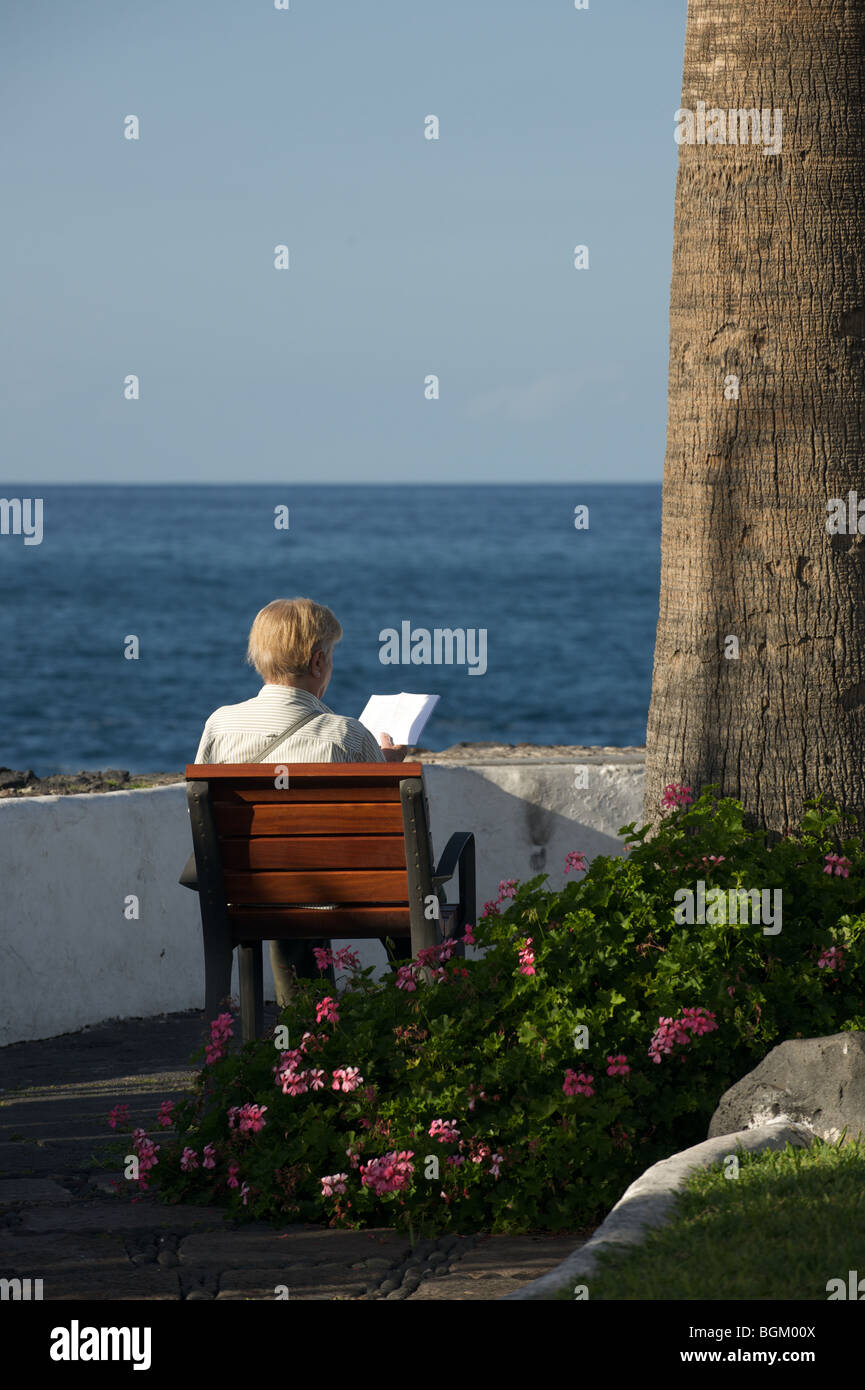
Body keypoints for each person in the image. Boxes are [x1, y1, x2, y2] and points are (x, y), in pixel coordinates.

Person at [193, 597, 410, 1007]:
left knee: (289, 876)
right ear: (317, 661)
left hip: (249, 895)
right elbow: (387, 829)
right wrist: (388, 767)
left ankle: (305, 1026)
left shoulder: (219, 725)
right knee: (408, 889)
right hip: (330, 895)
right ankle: (422, 1012)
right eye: (331, 657)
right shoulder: (346, 735)